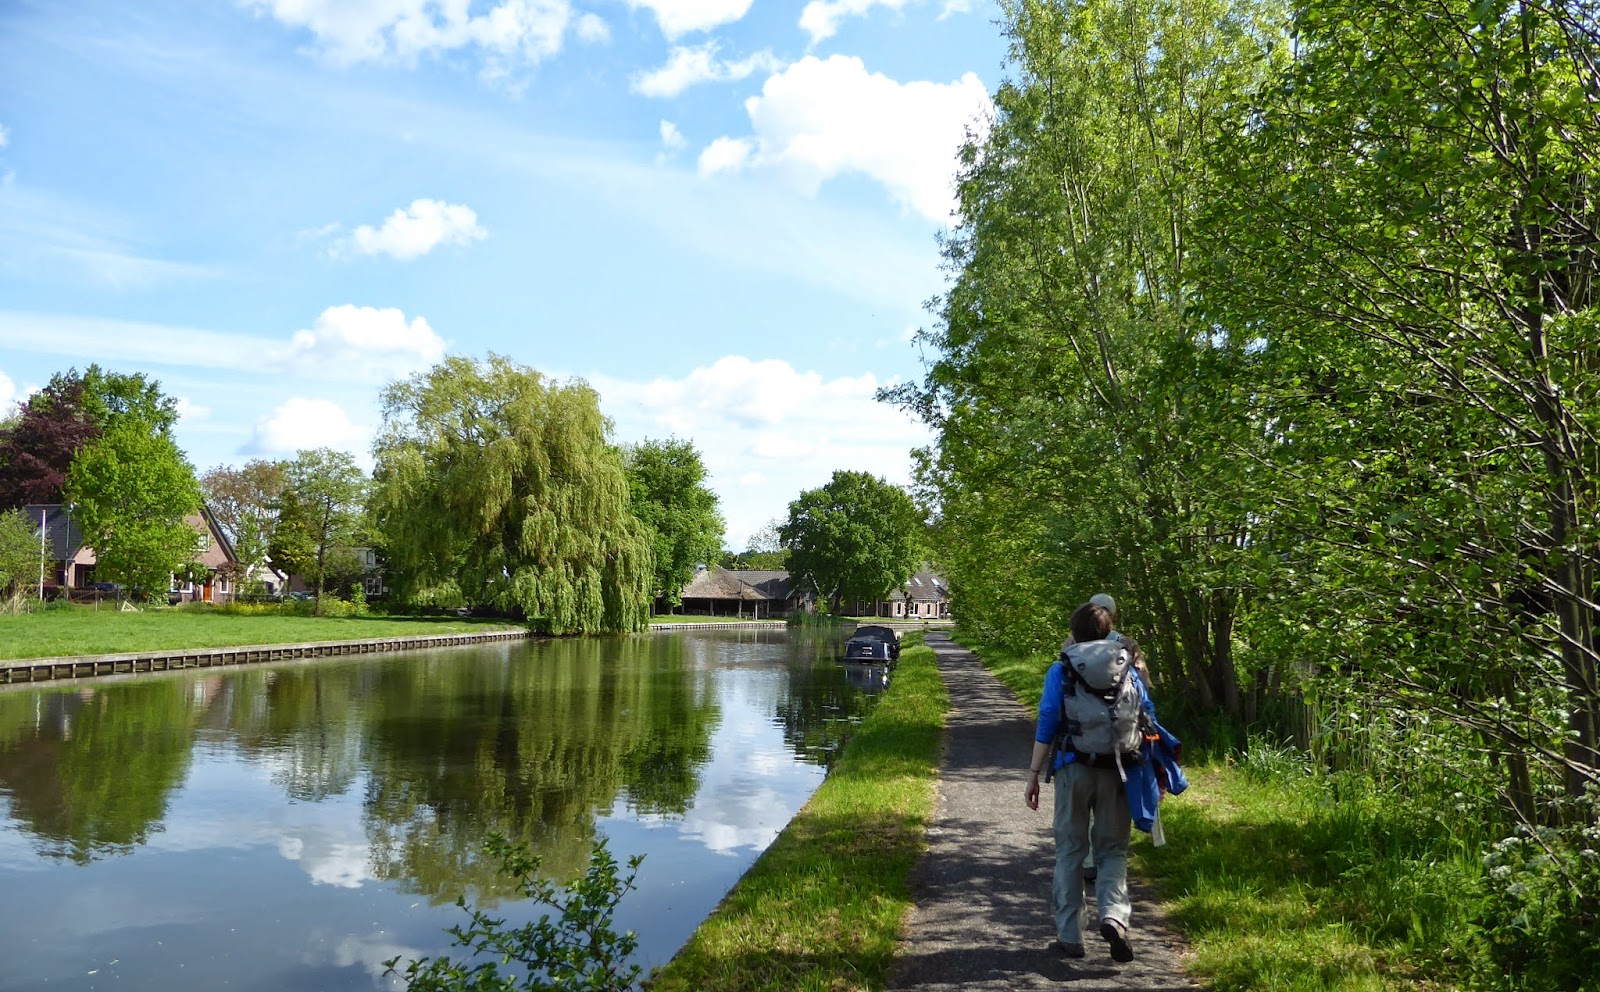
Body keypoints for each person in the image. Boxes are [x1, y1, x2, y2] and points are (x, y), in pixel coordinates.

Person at [1026, 601, 1152, 963]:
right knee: (1112, 850)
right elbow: (1146, 714)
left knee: (1070, 850)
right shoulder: (1127, 665)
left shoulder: (1062, 668)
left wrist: (1034, 773)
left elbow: (1049, 718)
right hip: (1119, 768)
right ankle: (1114, 917)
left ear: (1074, 633)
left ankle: (1070, 935)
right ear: (1107, 630)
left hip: (1072, 768)